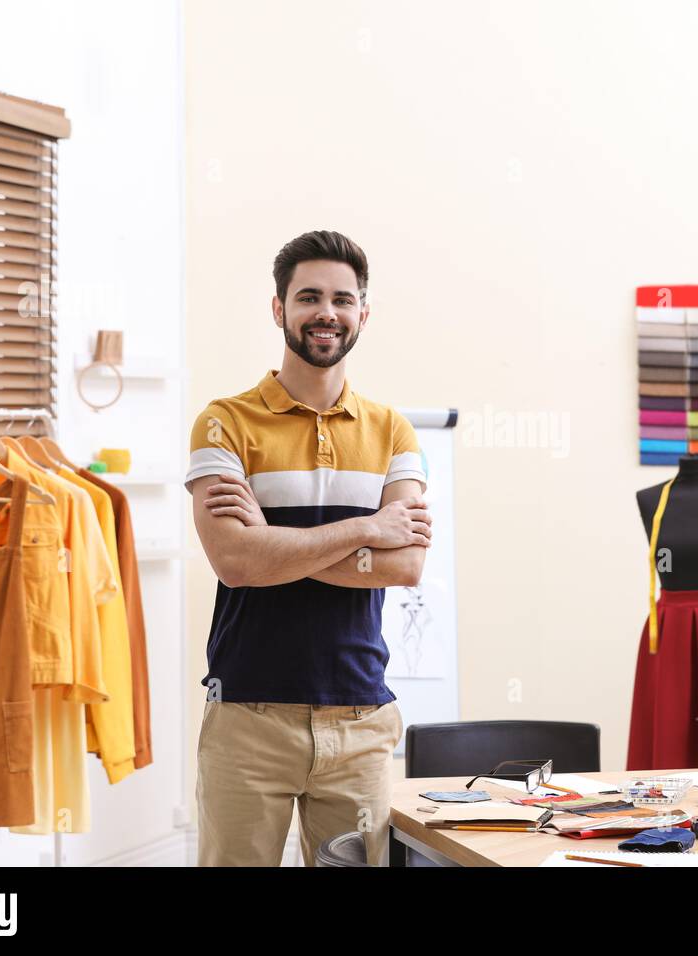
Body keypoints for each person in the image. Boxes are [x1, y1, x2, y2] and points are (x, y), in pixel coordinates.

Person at [185, 230, 431, 866]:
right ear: (279, 308)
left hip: (359, 718)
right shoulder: (225, 423)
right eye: (310, 297)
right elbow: (235, 562)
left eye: (343, 300)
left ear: (362, 315)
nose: (328, 312)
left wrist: (275, 545)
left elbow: (405, 566)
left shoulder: (392, 430)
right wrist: (363, 529)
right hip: (248, 716)